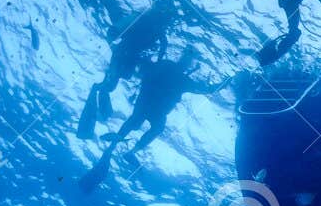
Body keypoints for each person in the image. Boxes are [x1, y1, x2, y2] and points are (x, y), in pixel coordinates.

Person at [80, 53, 223, 190]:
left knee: (140, 124)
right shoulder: (181, 77)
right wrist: (223, 83)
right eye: (188, 59)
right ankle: (122, 150)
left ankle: (119, 149)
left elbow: (141, 66)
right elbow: (206, 89)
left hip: (148, 107)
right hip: (152, 108)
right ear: (186, 62)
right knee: (144, 124)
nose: (186, 62)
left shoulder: (170, 69)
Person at [79, 0, 181, 139]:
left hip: (132, 58)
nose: (163, 14)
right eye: (162, 8)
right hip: (123, 53)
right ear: (157, 8)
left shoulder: (159, 29)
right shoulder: (141, 17)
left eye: (165, 10)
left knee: (113, 83)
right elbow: (115, 30)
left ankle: (100, 93)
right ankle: (97, 92)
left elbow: (162, 48)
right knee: (110, 85)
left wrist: (155, 65)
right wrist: (113, 45)